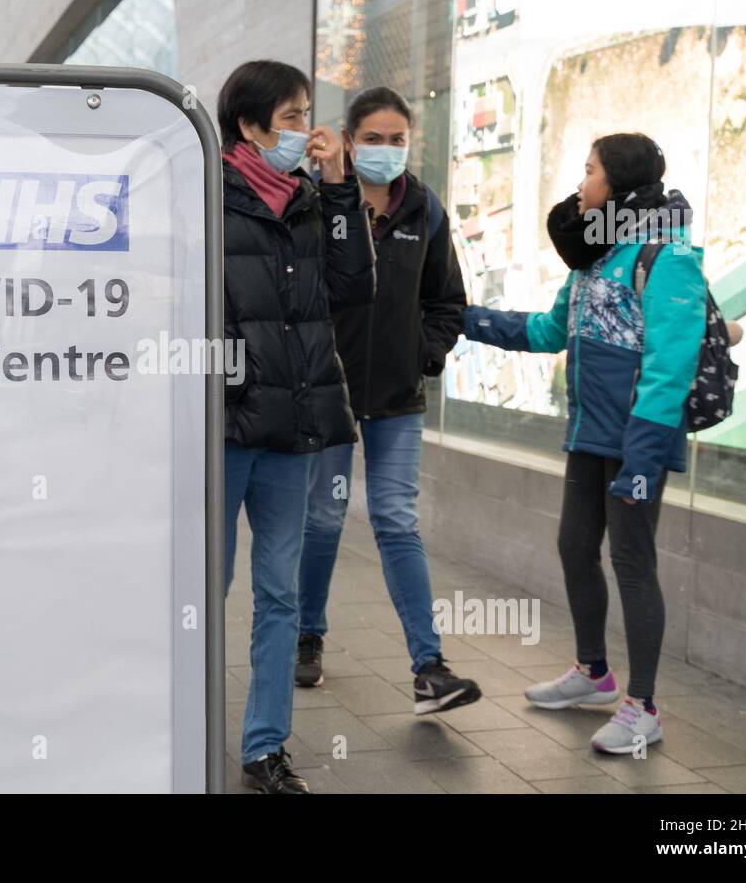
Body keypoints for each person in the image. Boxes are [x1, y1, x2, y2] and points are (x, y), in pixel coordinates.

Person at [463, 133, 705, 752]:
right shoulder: (597, 257)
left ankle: (643, 707)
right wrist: (463, 317)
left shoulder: (666, 258)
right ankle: (595, 673)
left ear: (618, 185)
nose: (580, 184)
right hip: (590, 437)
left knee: (632, 562)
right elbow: (548, 332)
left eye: (590, 171)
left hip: (636, 443)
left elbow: (669, 367)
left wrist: (644, 459)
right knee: (575, 547)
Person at [295, 86, 481, 715]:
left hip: (398, 399)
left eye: (396, 139)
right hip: (330, 396)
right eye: (371, 139)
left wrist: (424, 355)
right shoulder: (318, 204)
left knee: (397, 520)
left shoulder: (425, 211)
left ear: (410, 143)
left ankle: (429, 667)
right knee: (322, 520)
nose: (384, 150)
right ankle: (306, 635)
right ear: (349, 141)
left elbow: (446, 299)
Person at [220, 60, 374, 793]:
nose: (303, 131)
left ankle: (264, 749)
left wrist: (342, 185)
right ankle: (173, 729)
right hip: (219, 433)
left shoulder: (314, 200)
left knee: (278, 594)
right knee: (204, 586)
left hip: (292, 429)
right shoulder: (205, 195)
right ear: (248, 125)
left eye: (306, 114)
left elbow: (352, 286)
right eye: (289, 117)